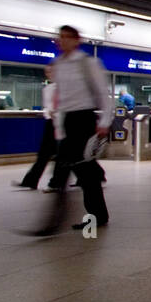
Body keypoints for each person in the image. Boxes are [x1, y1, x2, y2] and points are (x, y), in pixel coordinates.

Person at [28, 25, 111, 235]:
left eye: (67, 37)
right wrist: (58, 127)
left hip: (84, 119)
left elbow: (103, 93)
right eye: (60, 37)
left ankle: (93, 215)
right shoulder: (58, 64)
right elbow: (60, 98)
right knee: (66, 168)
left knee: (83, 171)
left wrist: (104, 123)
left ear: (77, 40)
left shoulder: (88, 63)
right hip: (66, 120)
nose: (62, 41)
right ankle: (54, 220)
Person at [13, 65, 58, 190]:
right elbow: (47, 106)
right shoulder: (47, 89)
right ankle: (31, 181)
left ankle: (95, 176)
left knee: (68, 155)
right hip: (51, 123)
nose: (49, 74)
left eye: (52, 71)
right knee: (44, 154)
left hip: (63, 123)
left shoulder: (66, 88)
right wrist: (49, 113)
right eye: (47, 72)